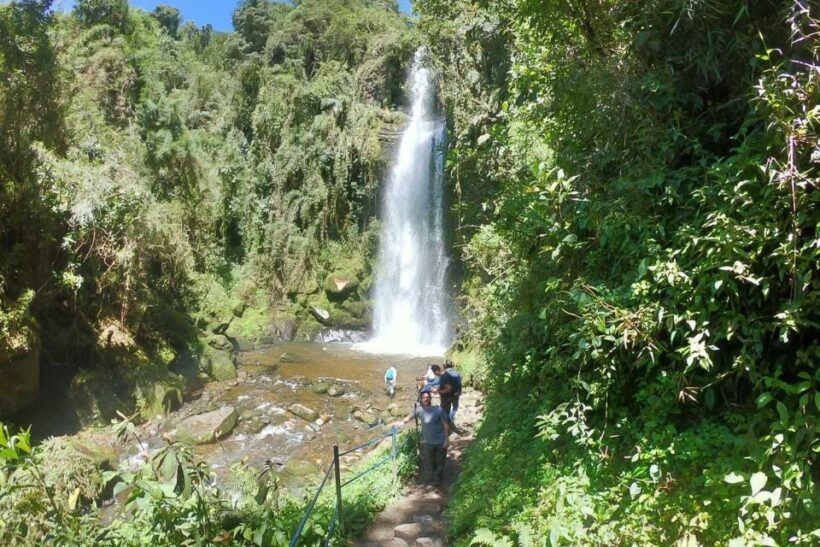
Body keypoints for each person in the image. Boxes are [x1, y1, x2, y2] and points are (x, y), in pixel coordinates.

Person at [396, 390, 449, 486]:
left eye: (428, 397)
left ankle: (437, 478)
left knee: (440, 461)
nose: (426, 399)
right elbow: (409, 417)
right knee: (430, 461)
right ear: (421, 399)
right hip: (428, 442)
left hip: (440, 441)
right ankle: (433, 476)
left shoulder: (438, 410)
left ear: (430, 399)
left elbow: (446, 425)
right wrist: (402, 422)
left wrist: (446, 440)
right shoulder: (419, 410)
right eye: (424, 397)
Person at [438, 359, 461, 425]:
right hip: (455, 394)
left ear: (445, 366)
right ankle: (451, 419)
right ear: (452, 365)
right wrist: (458, 392)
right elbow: (459, 384)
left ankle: (448, 422)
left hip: (446, 396)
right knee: (455, 408)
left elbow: (444, 387)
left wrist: (439, 391)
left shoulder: (444, 375)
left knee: (446, 411)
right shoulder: (457, 373)